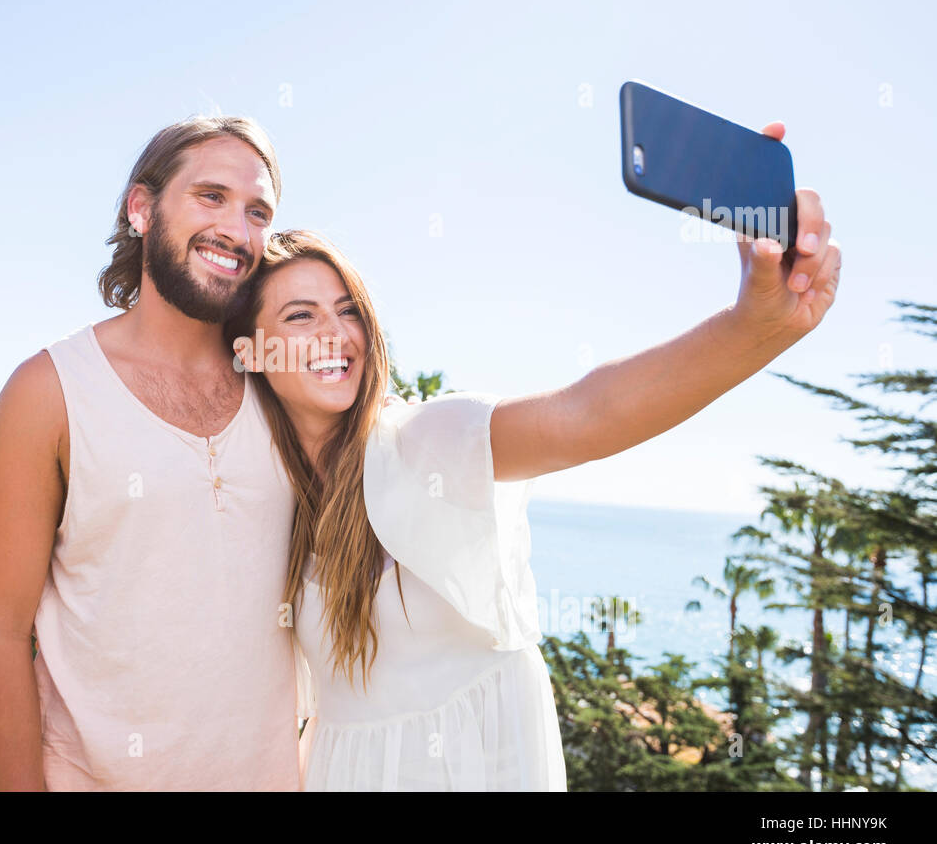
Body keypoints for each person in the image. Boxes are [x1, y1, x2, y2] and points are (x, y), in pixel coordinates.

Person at [222, 150, 840, 789]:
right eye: (301, 315)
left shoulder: (421, 441)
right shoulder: (260, 495)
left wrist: (754, 327)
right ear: (249, 352)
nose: (336, 333)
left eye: (347, 309)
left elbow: (587, 413)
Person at [0, 115, 305, 790]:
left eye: (258, 211)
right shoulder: (49, 390)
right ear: (142, 209)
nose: (238, 230)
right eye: (211, 196)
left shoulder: (280, 384)